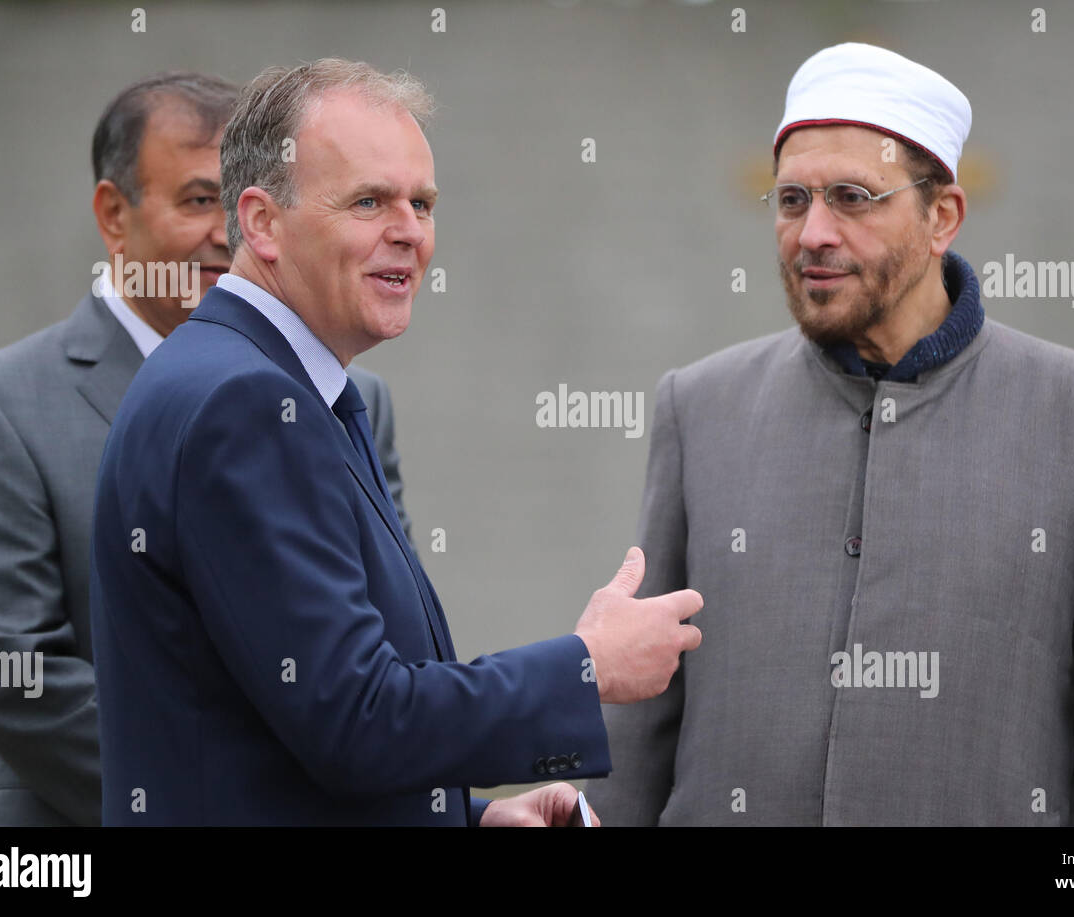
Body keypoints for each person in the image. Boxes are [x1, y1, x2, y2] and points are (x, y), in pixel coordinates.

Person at [589, 42, 1074, 826]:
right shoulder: (698, 407)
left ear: (941, 215)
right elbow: (637, 732)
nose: (813, 232)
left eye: (852, 196)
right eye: (790, 199)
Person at [89, 58, 703, 826]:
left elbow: (287, 737)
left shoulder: (274, 383)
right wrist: (586, 667)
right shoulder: (245, 403)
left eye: (422, 202)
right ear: (261, 222)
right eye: (369, 200)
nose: (409, 231)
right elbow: (356, 718)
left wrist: (467, 817)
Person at [0, 71, 413, 826]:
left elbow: (384, 647)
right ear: (113, 216)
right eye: (198, 200)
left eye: (236, 202)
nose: (226, 230)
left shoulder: (351, 400)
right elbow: (17, 677)